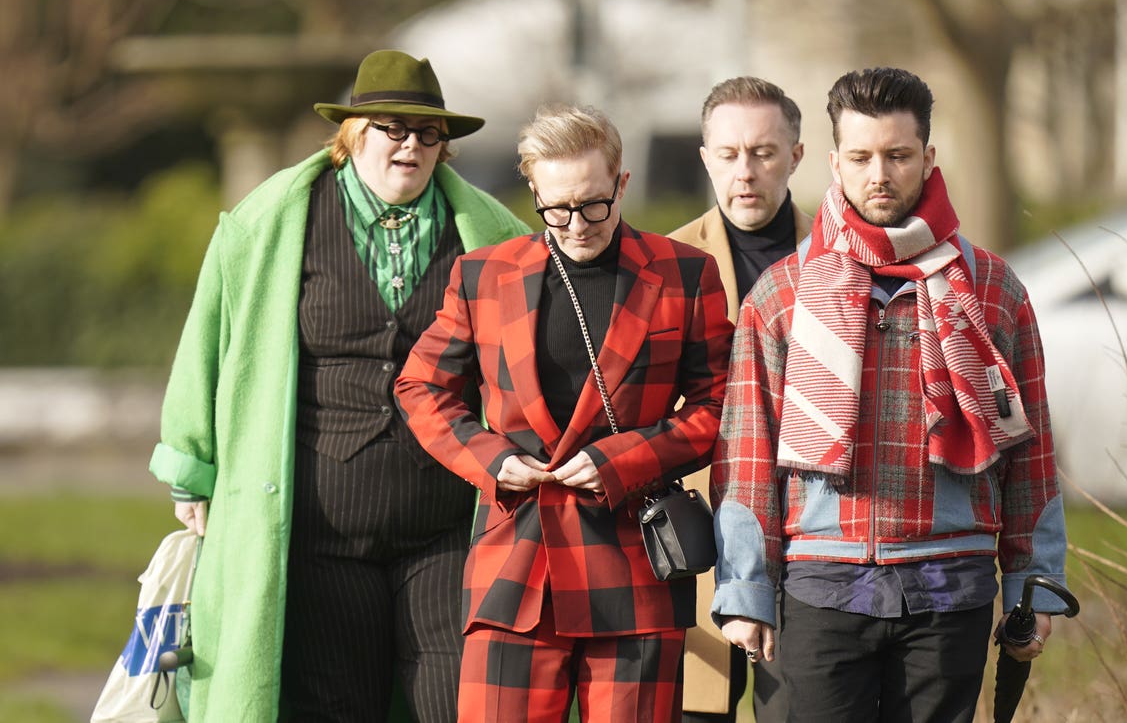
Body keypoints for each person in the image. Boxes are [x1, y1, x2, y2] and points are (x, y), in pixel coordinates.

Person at [148, 49, 530, 722]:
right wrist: (191, 468)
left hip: (446, 528)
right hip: (324, 530)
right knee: (333, 707)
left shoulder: (495, 236)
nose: (410, 145)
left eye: (429, 133)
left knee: (457, 703)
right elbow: (209, 339)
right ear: (353, 133)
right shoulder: (270, 222)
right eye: (392, 127)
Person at [710, 67, 1070, 722]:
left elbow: (1032, 451)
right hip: (818, 587)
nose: (879, 174)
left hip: (949, 588)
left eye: (898, 156)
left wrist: (1034, 582)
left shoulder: (992, 290)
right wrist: (746, 589)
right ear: (833, 162)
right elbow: (747, 457)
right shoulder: (781, 296)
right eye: (861, 157)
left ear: (928, 158)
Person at [395, 104, 734, 723]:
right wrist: (493, 460)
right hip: (514, 565)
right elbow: (421, 386)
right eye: (556, 208)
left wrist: (622, 459)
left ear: (622, 184)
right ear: (533, 191)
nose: (576, 224)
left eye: (594, 204)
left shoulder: (686, 275)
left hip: (636, 561)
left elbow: (722, 403)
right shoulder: (483, 276)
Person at [668, 76, 811, 723]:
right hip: (700, 523)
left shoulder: (842, 257)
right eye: (727, 155)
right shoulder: (663, 262)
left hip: (815, 529)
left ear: (798, 156)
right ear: (704, 157)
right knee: (701, 710)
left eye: (764, 152)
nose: (745, 171)